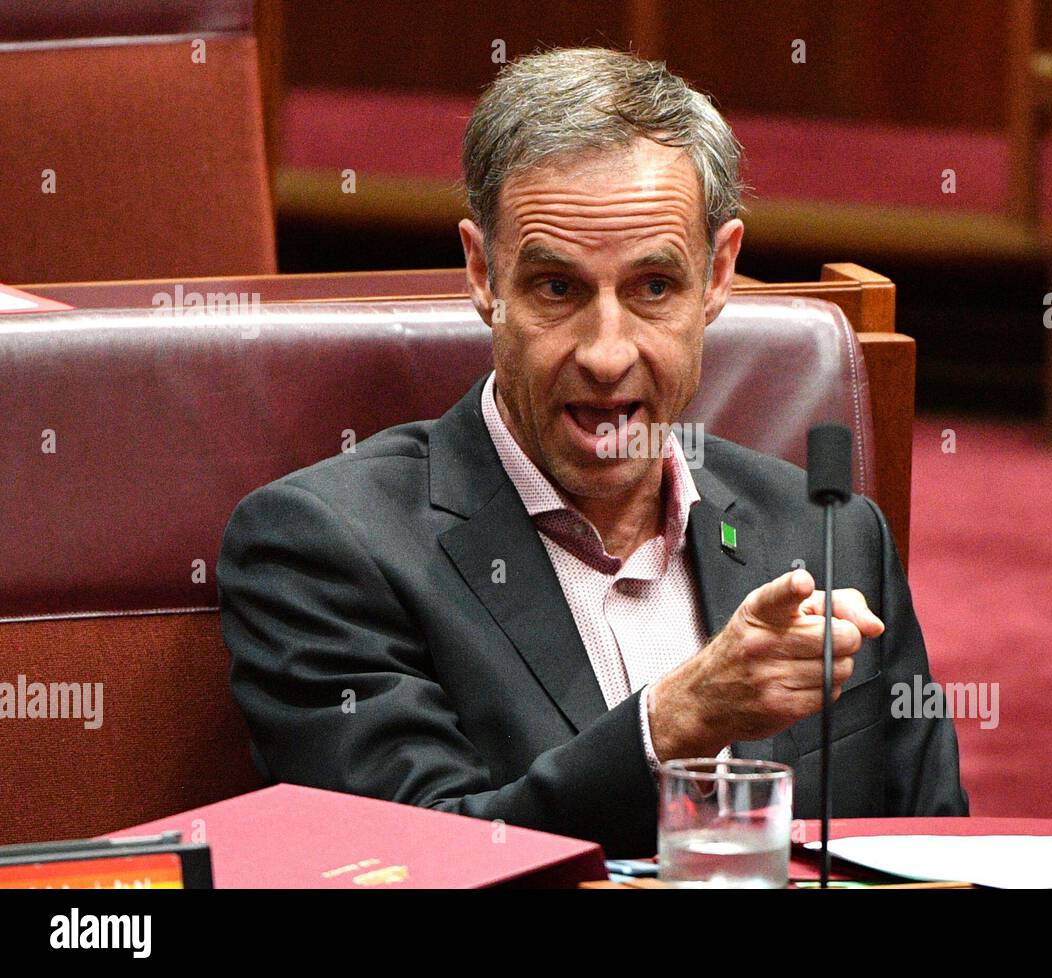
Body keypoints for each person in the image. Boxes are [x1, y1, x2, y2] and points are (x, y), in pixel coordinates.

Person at [218, 47, 968, 857]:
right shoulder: (324, 547)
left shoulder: (829, 534)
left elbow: (931, 852)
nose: (607, 355)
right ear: (482, 273)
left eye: (652, 288)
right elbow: (416, 863)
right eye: (557, 289)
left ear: (718, 275)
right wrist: (674, 722)